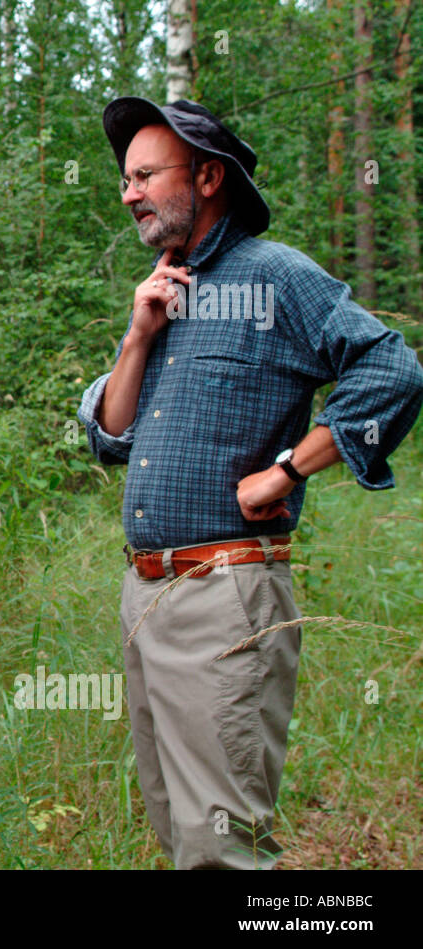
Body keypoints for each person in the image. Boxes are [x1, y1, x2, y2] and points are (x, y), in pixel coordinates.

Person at [77, 98, 423, 869]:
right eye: (123, 178)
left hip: (226, 597)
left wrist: (290, 467)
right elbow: (109, 435)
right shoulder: (162, 289)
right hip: (146, 598)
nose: (127, 192)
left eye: (144, 175)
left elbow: (392, 368)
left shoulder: (274, 276)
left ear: (205, 176)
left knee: (223, 848)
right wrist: (137, 336)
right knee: (177, 830)